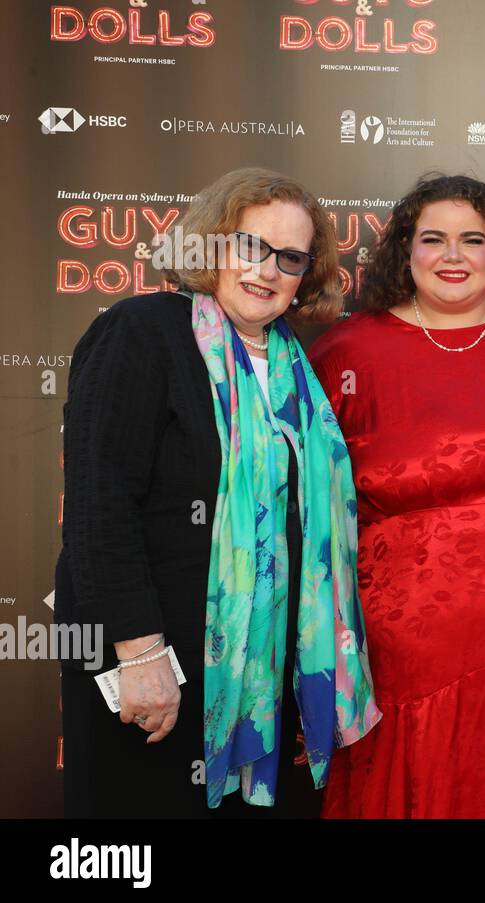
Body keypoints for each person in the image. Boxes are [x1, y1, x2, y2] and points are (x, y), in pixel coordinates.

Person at [57, 167, 381, 817]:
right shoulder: (144, 331)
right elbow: (101, 501)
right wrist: (140, 653)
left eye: (290, 257)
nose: (267, 270)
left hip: (257, 673)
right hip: (157, 661)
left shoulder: (292, 363)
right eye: (249, 245)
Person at [310, 174, 485, 818]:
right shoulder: (350, 352)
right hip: (411, 639)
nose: (454, 256)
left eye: (473, 239)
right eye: (433, 239)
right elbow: (315, 511)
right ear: (404, 252)